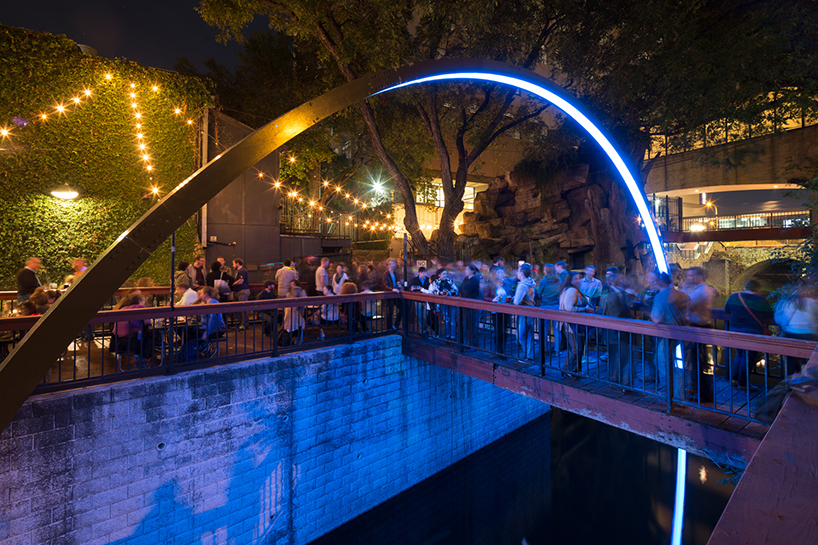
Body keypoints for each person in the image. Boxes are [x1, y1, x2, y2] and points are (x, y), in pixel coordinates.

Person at [724, 279, 774, 390]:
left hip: (735, 330)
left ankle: (734, 379)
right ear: (758, 289)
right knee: (748, 358)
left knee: (740, 355)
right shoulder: (760, 299)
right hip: (752, 332)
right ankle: (742, 383)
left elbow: (726, 309)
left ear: (745, 288)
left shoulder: (733, 297)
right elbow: (769, 314)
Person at [650, 272, 690, 400]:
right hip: (686, 335)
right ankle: (681, 393)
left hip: (669, 336)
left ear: (660, 282)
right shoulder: (682, 294)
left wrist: (647, 311)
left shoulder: (660, 297)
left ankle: (674, 396)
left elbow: (656, 318)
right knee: (680, 364)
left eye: (655, 281)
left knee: (663, 363)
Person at [679, 266, 714, 403]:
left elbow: (684, 303)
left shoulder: (703, 290)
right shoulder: (695, 289)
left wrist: (681, 289)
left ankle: (704, 394)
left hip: (700, 328)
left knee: (699, 363)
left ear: (700, 276)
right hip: (694, 327)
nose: (689, 278)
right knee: (694, 361)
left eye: (691, 276)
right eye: (688, 275)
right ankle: (696, 389)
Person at [774, 285, 818, 375]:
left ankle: (792, 382)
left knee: (791, 360)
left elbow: (777, 318)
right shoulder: (812, 302)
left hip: (791, 334)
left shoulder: (786, 303)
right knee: (808, 360)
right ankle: (807, 382)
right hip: (809, 335)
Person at [599, 274, 632, 387]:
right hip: (619, 327)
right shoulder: (617, 293)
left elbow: (601, 308)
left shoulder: (608, 293)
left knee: (614, 353)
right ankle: (621, 378)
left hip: (610, 327)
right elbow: (623, 308)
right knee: (621, 353)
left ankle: (614, 375)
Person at [559, 271, 592, 375]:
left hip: (569, 323)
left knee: (575, 347)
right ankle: (569, 369)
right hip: (572, 324)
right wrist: (585, 309)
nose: (579, 280)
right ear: (571, 280)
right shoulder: (572, 290)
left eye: (579, 278)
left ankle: (573, 369)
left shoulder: (568, 289)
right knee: (576, 348)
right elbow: (569, 308)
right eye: (576, 279)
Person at [110, 291, 154, 363]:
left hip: (117, 342)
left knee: (142, 334)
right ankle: (144, 358)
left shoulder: (123, 308)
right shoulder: (141, 307)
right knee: (150, 336)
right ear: (140, 300)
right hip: (131, 342)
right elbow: (148, 322)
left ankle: (139, 356)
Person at [513, 263, 536, 360]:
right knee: (529, 333)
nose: (517, 273)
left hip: (523, 312)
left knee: (520, 335)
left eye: (518, 271)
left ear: (521, 272)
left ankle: (526, 354)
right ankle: (529, 356)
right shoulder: (531, 282)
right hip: (531, 310)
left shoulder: (522, 285)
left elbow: (516, 302)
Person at [537, 264, 561, 355]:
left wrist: (544, 295)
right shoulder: (559, 281)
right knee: (557, 329)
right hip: (556, 306)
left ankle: (544, 348)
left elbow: (539, 293)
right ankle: (557, 350)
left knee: (544, 328)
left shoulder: (543, 281)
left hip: (545, 306)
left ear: (546, 270)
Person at [431, 268, 458, 339]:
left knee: (453, 321)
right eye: (444, 274)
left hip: (452, 303)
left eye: (446, 274)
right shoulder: (436, 282)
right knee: (446, 320)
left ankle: (453, 337)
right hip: (443, 303)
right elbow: (433, 292)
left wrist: (449, 292)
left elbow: (456, 290)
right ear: (439, 275)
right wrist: (439, 293)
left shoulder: (450, 281)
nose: (445, 275)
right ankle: (447, 336)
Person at [489, 269, 510, 355]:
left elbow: (510, 293)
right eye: (499, 272)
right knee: (497, 330)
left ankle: (502, 349)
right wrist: (492, 299)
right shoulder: (492, 284)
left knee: (504, 330)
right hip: (495, 310)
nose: (501, 274)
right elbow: (485, 296)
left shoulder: (506, 284)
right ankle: (499, 349)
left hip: (505, 310)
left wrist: (510, 298)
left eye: (502, 272)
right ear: (495, 274)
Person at [461, 264, 482, 347]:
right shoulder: (466, 279)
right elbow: (463, 289)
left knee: (472, 325)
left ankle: (474, 344)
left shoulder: (475, 280)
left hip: (472, 305)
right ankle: (470, 343)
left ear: (472, 271)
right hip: (465, 304)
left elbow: (466, 290)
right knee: (468, 324)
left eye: (467, 270)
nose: (466, 271)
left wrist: (460, 288)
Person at [282, 280, 306, 345]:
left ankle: (296, 338)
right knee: (302, 321)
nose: (291, 286)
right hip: (295, 321)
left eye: (293, 284)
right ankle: (298, 339)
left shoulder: (288, 299)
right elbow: (302, 312)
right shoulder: (298, 302)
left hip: (287, 321)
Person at [408, 267, 430, 337]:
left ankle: (424, 329)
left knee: (425, 316)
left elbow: (430, 289)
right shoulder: (414, 280)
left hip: (426, 300)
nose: (424, 274)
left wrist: (417, 288)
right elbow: (410, 288)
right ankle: (423, 329)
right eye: (423, 273)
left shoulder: (428, 279)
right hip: (417, 300)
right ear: (419, 273)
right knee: (419, 315)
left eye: (425, 273)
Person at [382, 259, 403, 329]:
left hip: (394, 294)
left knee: (402, 308)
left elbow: (395, 282)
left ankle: (395, 325)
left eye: (392, 264)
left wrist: (399, 286)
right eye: (390, 264)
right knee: (389, 312)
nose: (391, 265)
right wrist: (392, 289)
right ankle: (389, 327)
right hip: (389, 295)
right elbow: (385, 285)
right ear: (388, 265)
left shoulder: (395, 273)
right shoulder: (385, 274)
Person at [231, 258, 251, 330]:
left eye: (233, 263)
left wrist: (232, 284)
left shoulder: (242, 271)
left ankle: (244, 324)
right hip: (238, 291)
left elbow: (240, 281)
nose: (233, 265)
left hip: (242, 291)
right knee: (237, 308)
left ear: (237, 263)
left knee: (243, 308)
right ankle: (241, 323)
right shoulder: (238, 271)